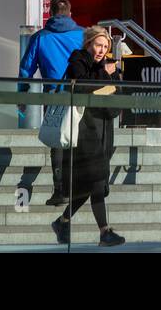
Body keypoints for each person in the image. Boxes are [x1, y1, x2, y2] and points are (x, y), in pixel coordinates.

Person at [52, 26, 125, 247]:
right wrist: (106, 75)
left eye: (105, 46)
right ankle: (104, 232)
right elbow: (82, 85)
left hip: (103, 128)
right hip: (84, 130)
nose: (101, 50)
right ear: (88, 44)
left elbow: (117, 98)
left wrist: (110, 77)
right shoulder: (78, 59)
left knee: (95, 183)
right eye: (98, 45)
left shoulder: (107, 65)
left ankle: (63, 221)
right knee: (96, 181)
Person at [18, 0, 85, 205]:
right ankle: (79, 188)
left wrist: (21, 95)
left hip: (54, 95)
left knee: (58, 141)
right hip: (80, 95)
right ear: (70, 13)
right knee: (78, 139)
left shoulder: (40, 37)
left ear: (51, 13)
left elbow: (26, 69)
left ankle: (60, 189)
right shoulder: (83, 35)